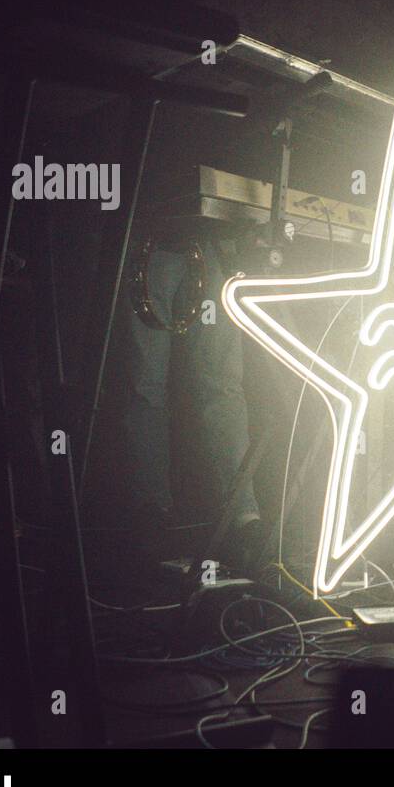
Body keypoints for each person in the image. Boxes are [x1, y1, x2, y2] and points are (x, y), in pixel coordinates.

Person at [117, 230, 264, 569]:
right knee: (151, 384)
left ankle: (239, 515)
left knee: (215, 384)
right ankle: (153, 513)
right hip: (153, 229)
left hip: (204, 239)